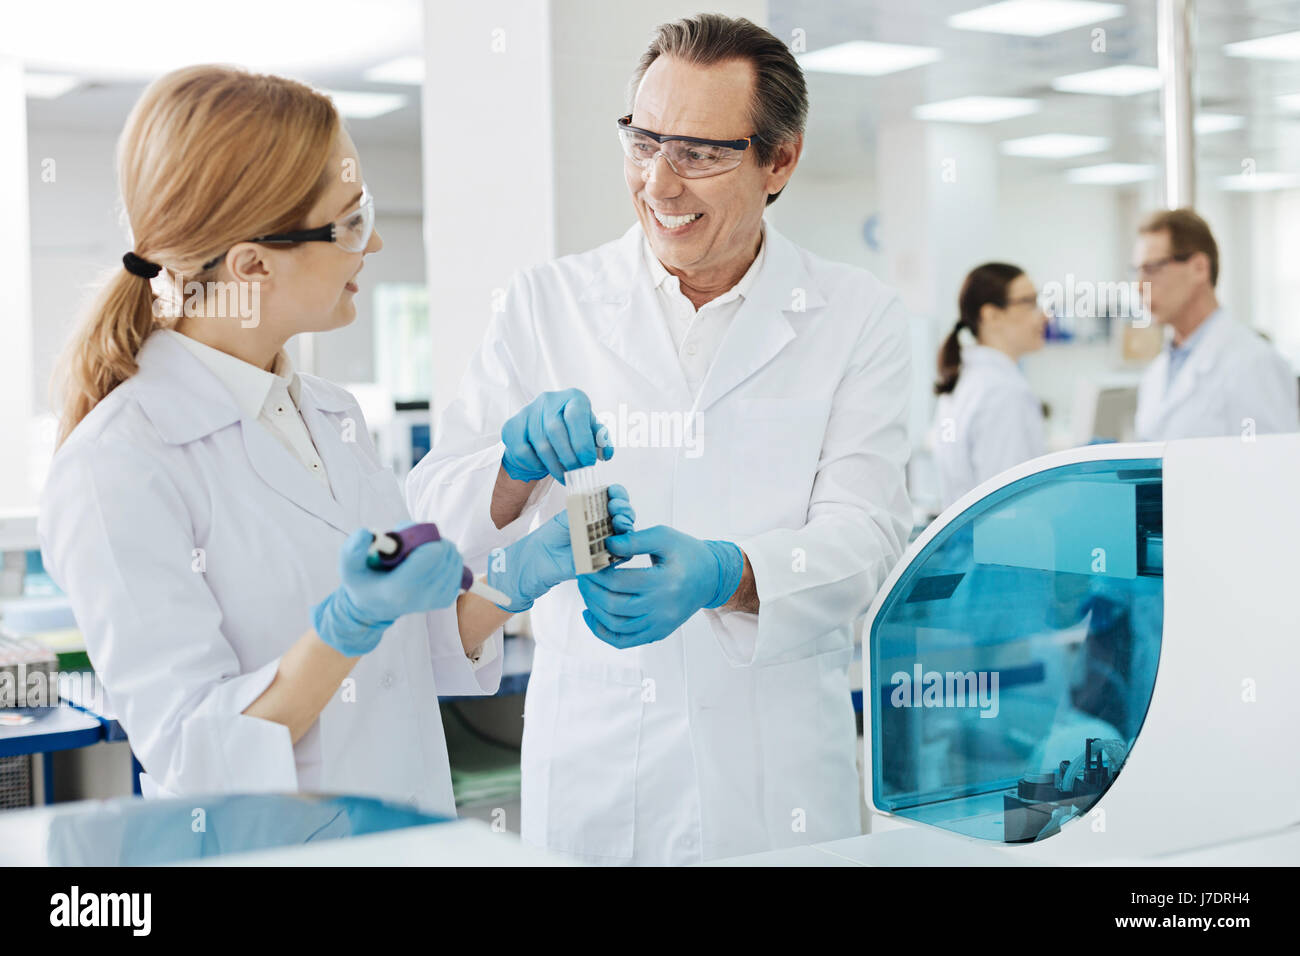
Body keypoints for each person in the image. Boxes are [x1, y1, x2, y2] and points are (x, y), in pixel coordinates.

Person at [38, 66, 632, 813]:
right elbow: (196, 753)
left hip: (410, 833)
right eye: (350, 222)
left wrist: (521, 574)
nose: (374, 241)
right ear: (252, 266)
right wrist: (346, 627)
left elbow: (407, 652)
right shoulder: (117, 465)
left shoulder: (327, 413)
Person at [406, 14, 912, 864]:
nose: (660, 185)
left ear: (778, 160)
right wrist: (509, 466)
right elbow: (434, 513)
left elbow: (868, 538)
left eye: (700, 154)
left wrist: (732, 572)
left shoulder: (857, 317)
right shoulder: (545, 305)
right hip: (597, 766)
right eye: (643, 142)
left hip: (775, 776)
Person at [1132, 207, 1298, 440]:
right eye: (1137, 271)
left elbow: (1278, 468)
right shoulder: (1156, 374)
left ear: (1199, 268)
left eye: (1152, 269)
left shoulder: (1255, 363)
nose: (1139, 286)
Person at [930, 263, 1049, 510]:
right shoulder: (1002, 392)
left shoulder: (966, 380)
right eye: (1029, 302)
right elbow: (1010, 506)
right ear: (991, 315)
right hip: (998, 544)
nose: (1044, 315)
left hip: (969, 541)